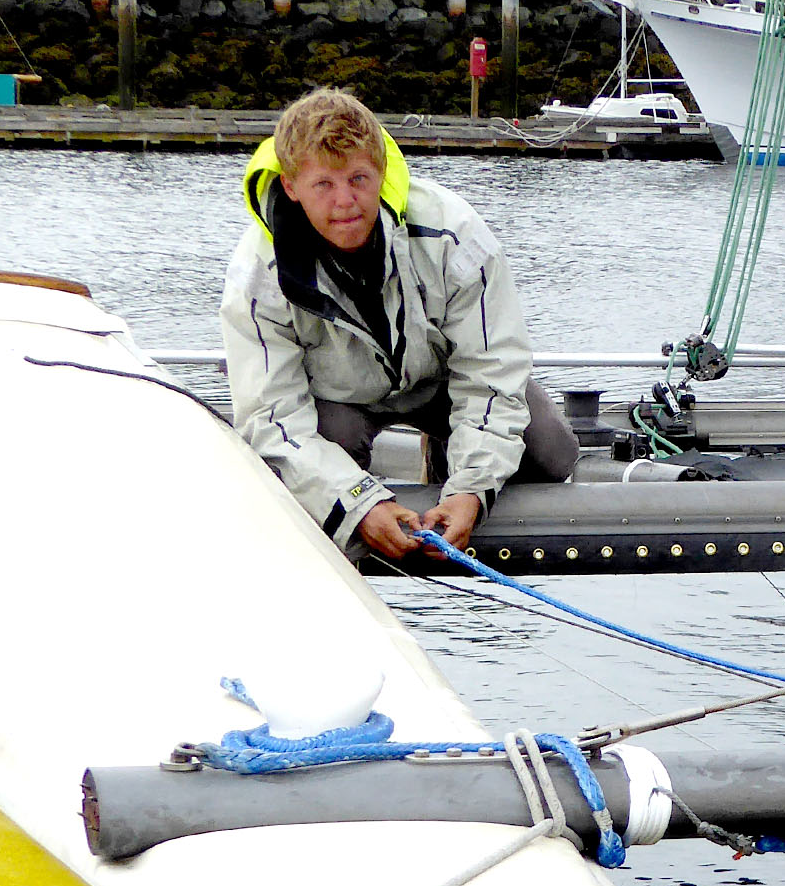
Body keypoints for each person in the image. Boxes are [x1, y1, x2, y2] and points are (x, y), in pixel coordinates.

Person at [222, 87, 576, 559]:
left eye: (358, 179)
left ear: (382, 171)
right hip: (339, 401)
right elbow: (272, 418)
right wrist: (358, 504)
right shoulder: (256, 276)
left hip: (441, 380)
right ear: (291, 187)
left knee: (551, 450)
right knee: (321, 456)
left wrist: (471, 489)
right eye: (323, 184)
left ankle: (448, 456)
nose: (345, 201)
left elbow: (492, 369)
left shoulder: (454, 235)